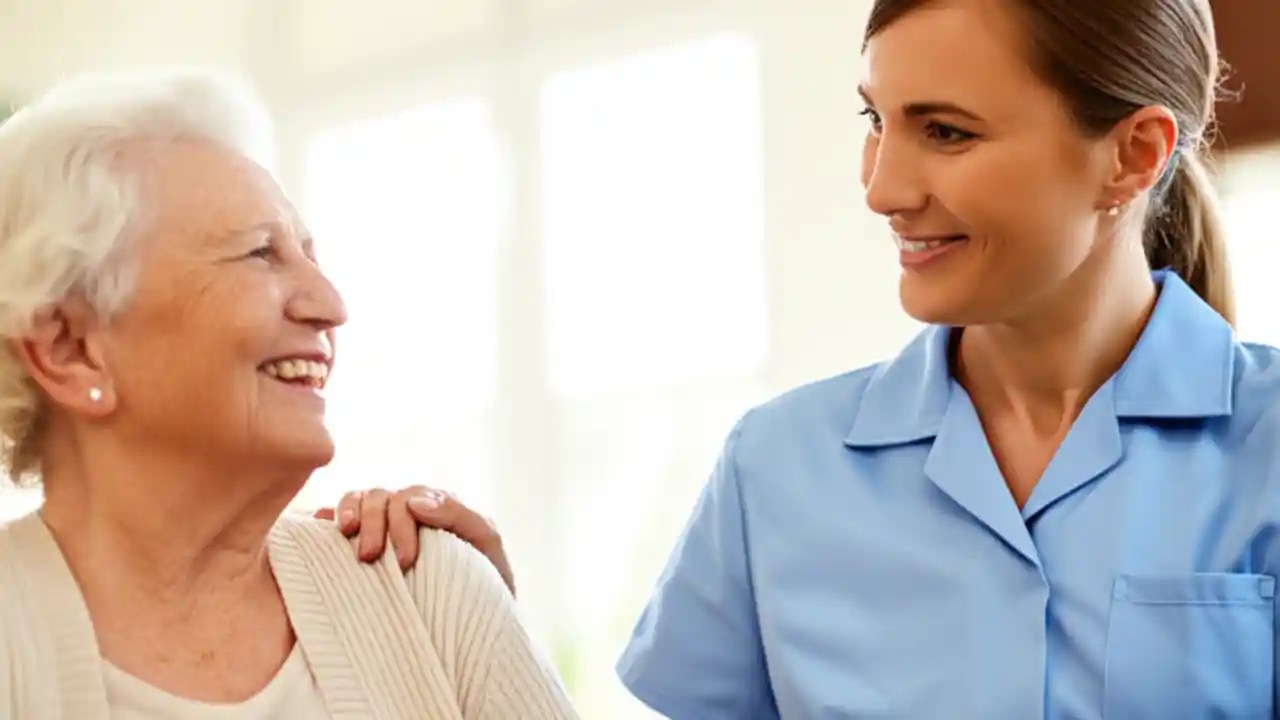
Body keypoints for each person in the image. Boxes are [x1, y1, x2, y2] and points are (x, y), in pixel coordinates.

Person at [415, 0, 1280, 717]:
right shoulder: (776, 468)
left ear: (1133, 155)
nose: (882, 189)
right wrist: (479, 621)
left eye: (946, 132)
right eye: (877, 120)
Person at [0, 71, 576, 719]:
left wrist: (475, 626)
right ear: (68, 349)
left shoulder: (427, 594)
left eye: (308, 255)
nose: (331, 306)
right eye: (259, 255)